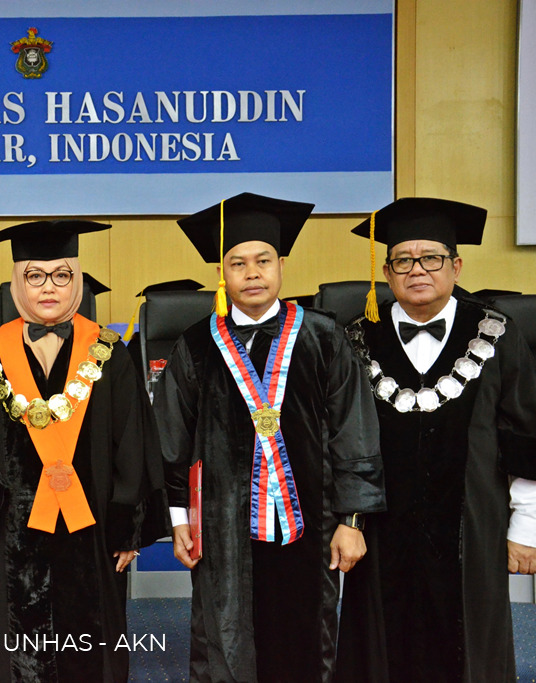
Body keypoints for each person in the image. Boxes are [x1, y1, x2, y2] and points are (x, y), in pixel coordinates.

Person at [154, 192, 385, 682]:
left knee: (306, 634)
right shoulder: (196, 345)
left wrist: (352, 519)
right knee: (224, 637)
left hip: (312, 524)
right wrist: (179, 518)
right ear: (223, 272)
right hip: (221, 528)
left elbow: (354, 432)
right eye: (237, 263)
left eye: (263, 260)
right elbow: (172, 438)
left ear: (281, 264)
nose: (252, 272)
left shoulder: (324, 337)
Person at [335, 198, 536, 683]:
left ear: (455, 265)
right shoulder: (355, 340)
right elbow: (342, 440)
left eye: (430, 257)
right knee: (379, 649)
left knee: (470, 645)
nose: (417, 270)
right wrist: (345, 518)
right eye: (403, 260)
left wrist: (528, 529)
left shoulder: (496, 334)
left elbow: (529, 436)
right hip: (381, 529)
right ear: (387, 273)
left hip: (471, 527)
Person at [0, 220, 167, 682]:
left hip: (94, 528)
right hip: (11, 529)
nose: (49, 287)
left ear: (78, 281)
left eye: (61, 275)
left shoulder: (109, 352)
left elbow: (133, 440)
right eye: (35, 275)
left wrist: (129, 524)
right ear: (16, 282)